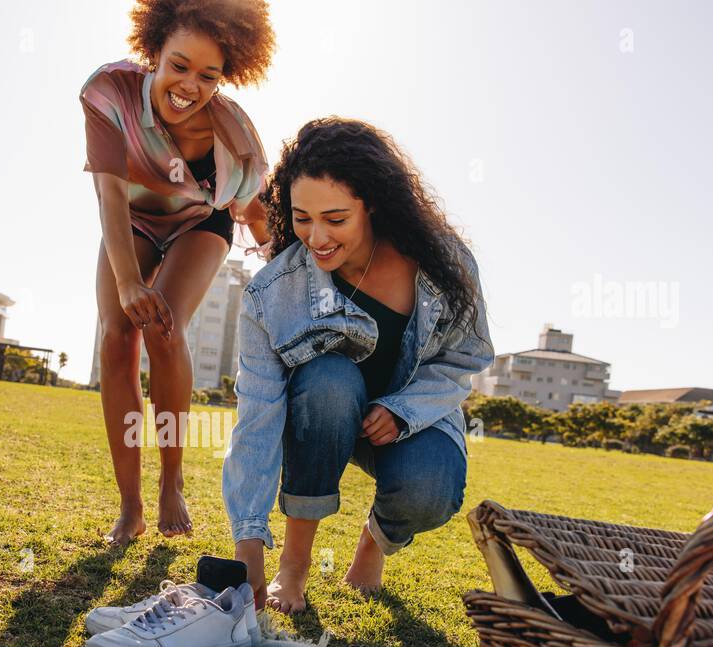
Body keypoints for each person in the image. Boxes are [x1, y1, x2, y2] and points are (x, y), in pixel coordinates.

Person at [222, 118, 495, 612]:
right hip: (321, 413)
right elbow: (257, 418)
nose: (317, 237)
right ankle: (295, 565)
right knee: (328, 378)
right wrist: (248, 545)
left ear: (371, 202)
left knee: (430, 491)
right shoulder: (272, 294)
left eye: (336, 218)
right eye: (302, 218)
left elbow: (466, 358)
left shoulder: (445, 263)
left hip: (410, 421)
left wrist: (404, 410)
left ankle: (374, 543)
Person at [82, 0, 275, 546]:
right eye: (180, 65)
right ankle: (130, 506)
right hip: (134, 217)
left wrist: (290, 269)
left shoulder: (237, 142)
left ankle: (172, 480)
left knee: (164, 326)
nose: (190, 84)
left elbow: (257, 220)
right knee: (118, 337)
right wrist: (126, 282)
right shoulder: (108, 93)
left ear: (224, 79)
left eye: (208, 76)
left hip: (199, 221)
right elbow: (110, 195)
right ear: (155, 54)